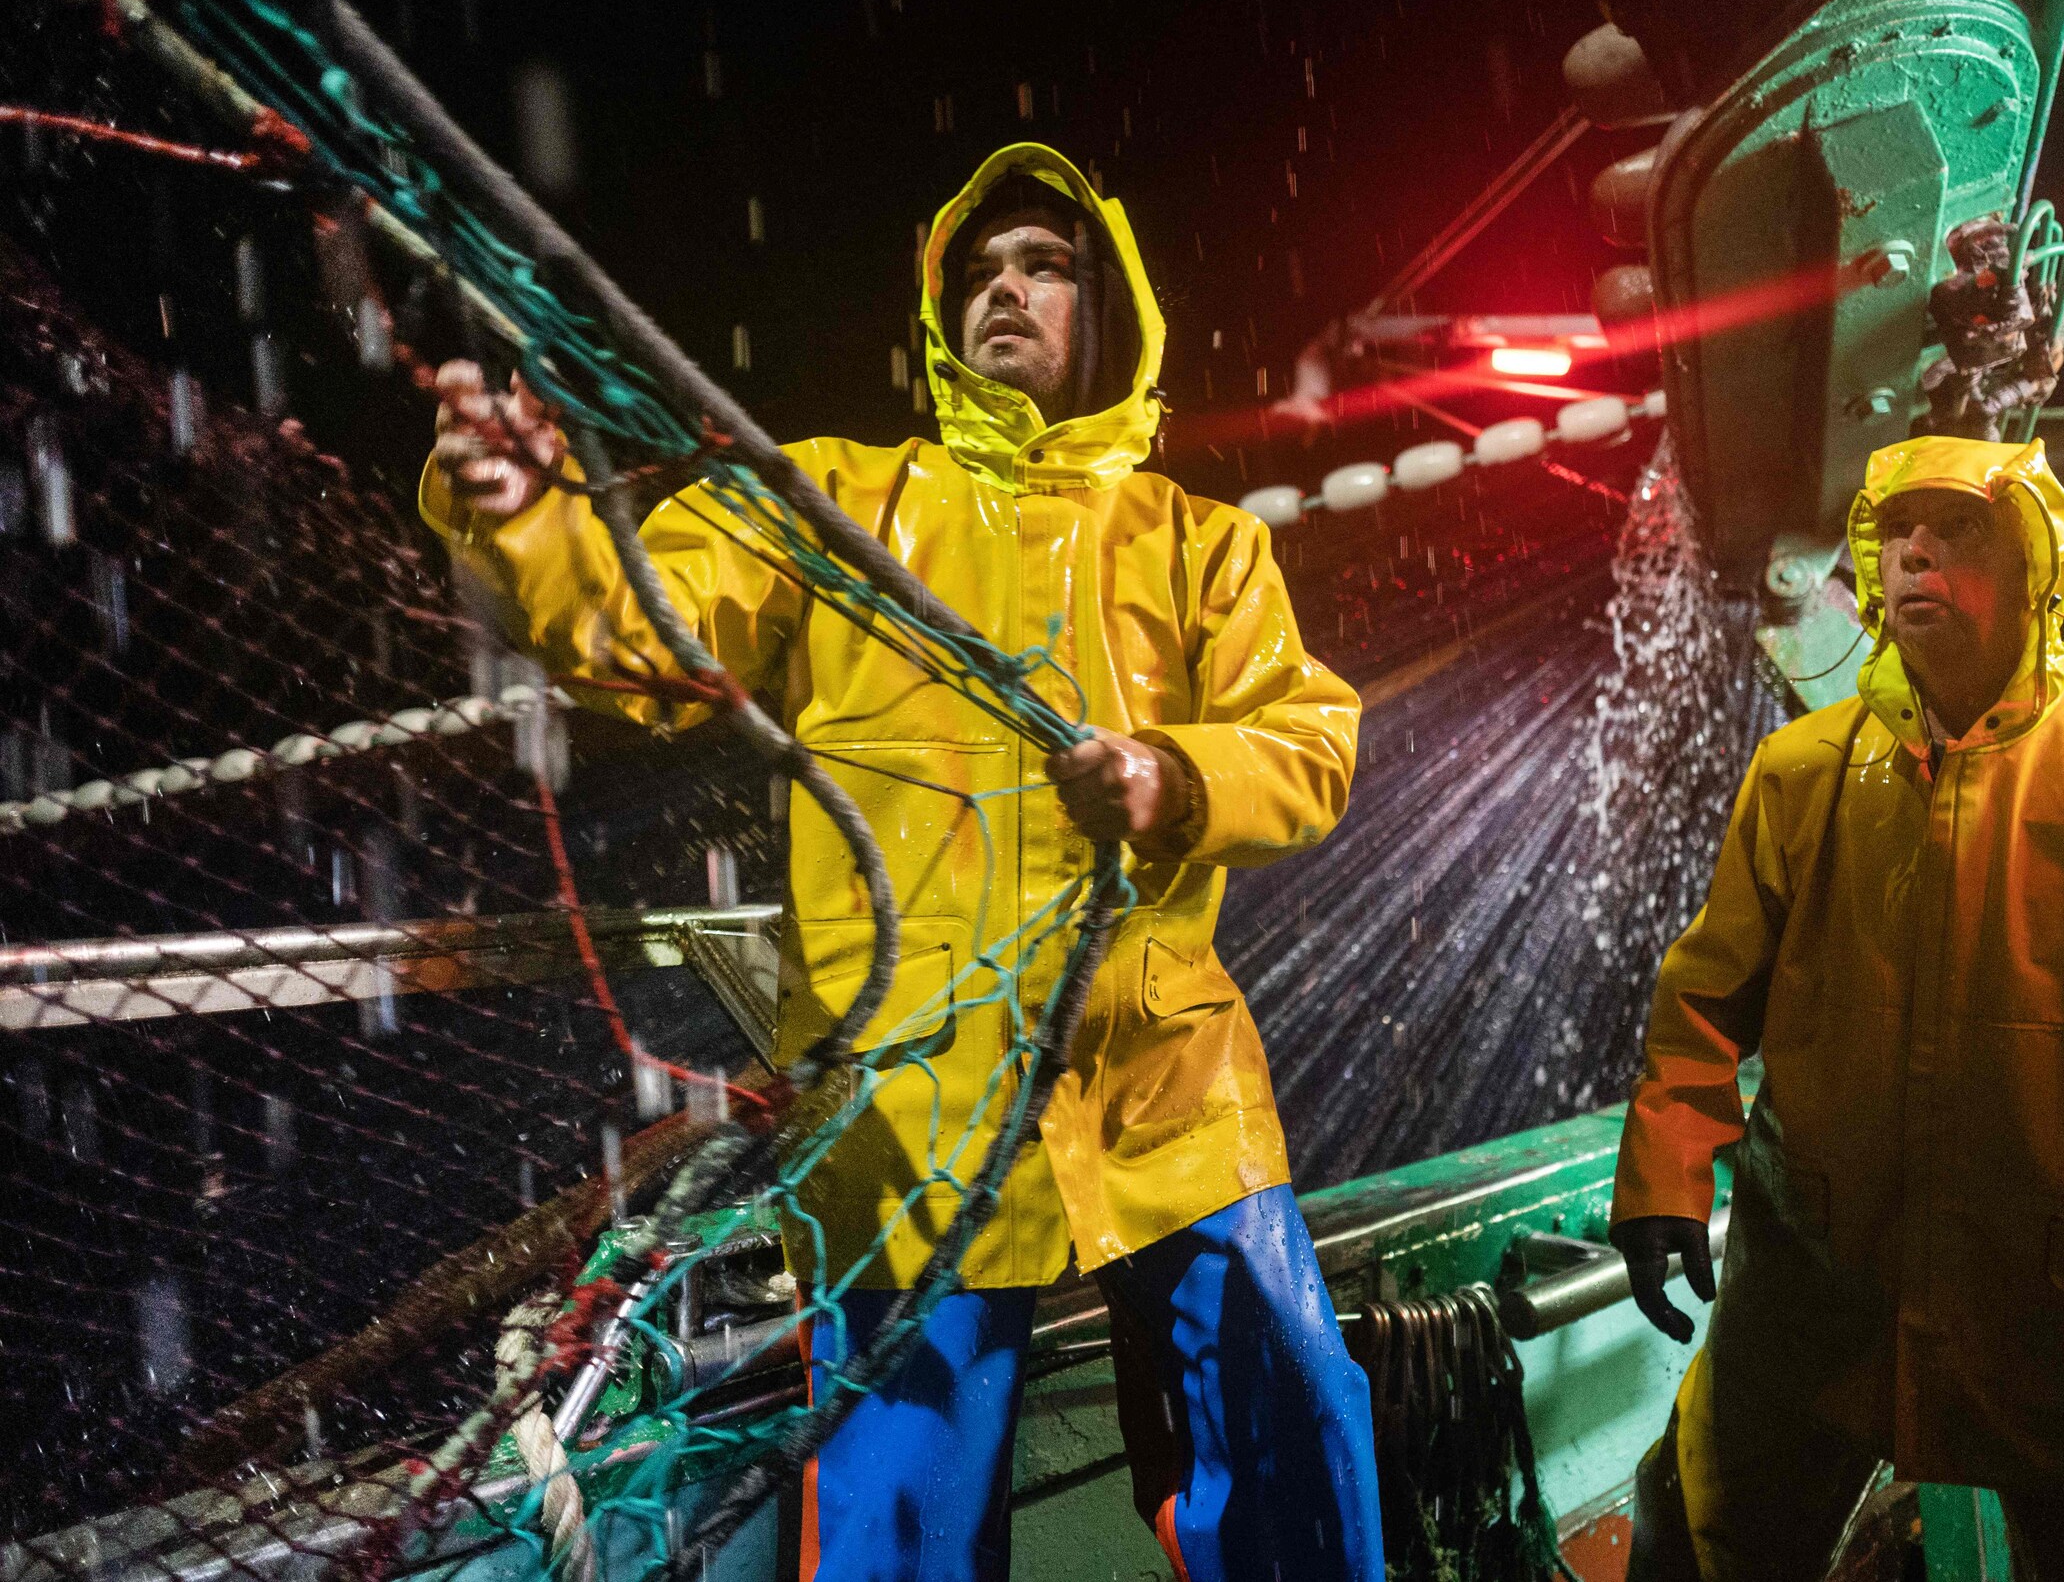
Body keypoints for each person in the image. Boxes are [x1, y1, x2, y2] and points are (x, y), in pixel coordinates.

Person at [423, 144, 1381, 1582]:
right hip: (899, 1110)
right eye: (979, 272)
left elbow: (1310, 742)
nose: (1005, 289)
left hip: (1168, 1084)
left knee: (1296, 1413)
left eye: (1043, 264)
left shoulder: (1204, 544)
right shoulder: (834, 507)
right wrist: (523, 517)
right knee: (894, 1515)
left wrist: (1171, 773)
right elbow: (637, 626)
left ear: (1106, 305)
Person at [1606, 436, 2064, 1582]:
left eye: (1958, 528)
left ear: (2036, 565)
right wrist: (1664, 1171)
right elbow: (1701, 1004)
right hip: (1825, 1286)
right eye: (1894, 533)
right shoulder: (1799, 772)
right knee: (1699, 1523)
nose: (1912, 551)